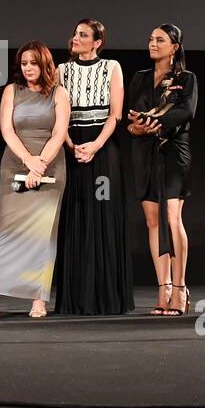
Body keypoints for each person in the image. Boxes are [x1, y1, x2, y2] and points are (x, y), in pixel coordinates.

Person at [0, 42, 70, 319]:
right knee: (3, 232)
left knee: (43, 236)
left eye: (33, 63)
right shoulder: (11, 91)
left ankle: (38, 298)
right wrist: (29, 162)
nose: (28, 68)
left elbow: (59, 133)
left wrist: (40, 163)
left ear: (45, 64)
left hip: (51, 166)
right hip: (15, 165)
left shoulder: (59, 93)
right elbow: (6, 130)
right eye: (23, 63)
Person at [55, 19, 132, 315]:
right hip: (73, 146)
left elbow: (115, 115)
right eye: (75, 33)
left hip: (102, 148)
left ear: (97, 42)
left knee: (103, 211)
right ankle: (77, 297)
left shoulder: (112, 67)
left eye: (83, 35)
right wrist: (72, 145)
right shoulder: (62, 71)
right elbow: (59, 115)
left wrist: (96, 146)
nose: (76, 38)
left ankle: (106, 296)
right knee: (77, 215)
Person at [126, 24, 197, 316]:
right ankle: (163, 286)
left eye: (160, 40)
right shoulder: (140, 78)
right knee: (152, 219)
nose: (153, 43)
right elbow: (130, 120)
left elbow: (186, 112)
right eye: (151, 39)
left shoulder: (186, 78)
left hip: (173, 151)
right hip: (144, 151)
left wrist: (153, 121)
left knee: (172, 216)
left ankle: (180, 288)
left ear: (175, 46)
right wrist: (137, 127)